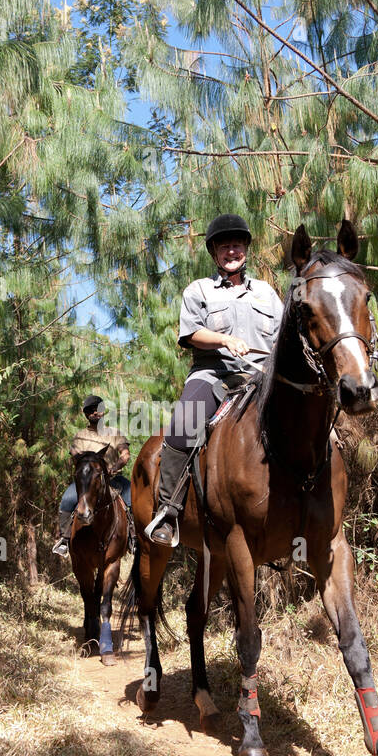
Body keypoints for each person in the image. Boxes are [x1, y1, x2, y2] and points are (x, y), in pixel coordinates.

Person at [146, 214, 284, 545]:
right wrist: (224, 340)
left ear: (246, 249)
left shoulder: (267, 293)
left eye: (237, 245)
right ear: (214, 253)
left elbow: (285, 337)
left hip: (264, 376)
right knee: (183, 424)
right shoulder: (199, 290)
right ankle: (168, 511)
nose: (232, 251)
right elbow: (191, 333)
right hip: (215, 374)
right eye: (225, 247)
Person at [52, 394, 132, 557]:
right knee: (67, 500)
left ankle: (134, 538)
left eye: (98, 409)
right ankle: (65, 539)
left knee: (132, 497)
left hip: (112, 479)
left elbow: (125, 454)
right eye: (90, 410)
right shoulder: (80, 436)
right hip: (87, 482)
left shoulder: (115, 433)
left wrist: (113, 468)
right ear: (86, 414)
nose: (95, 413)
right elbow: (75, 456)